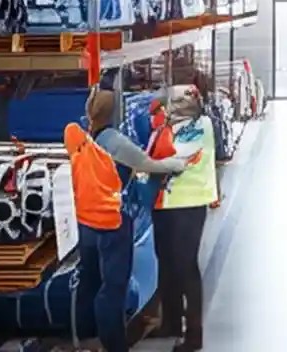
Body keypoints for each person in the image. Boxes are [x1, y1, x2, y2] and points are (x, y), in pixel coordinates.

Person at [65, 89, 186, 352]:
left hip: (86, 221)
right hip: (112, 222)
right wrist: (176, 164)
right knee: (113, 287)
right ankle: (114, 344)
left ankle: (86, 338)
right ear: (114, 111)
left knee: (89, 279)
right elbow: (147, 164)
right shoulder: (115, 142)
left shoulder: (81, 140)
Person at [151, 85, 219, 352]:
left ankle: (194, 334)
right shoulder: (168, 126)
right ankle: (170, 321)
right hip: (164, 203)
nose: (172, 107)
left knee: (186, 266)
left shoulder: (199, 127)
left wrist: (140, 161)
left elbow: (170, 158)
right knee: (166, 262)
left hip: (189, 204)